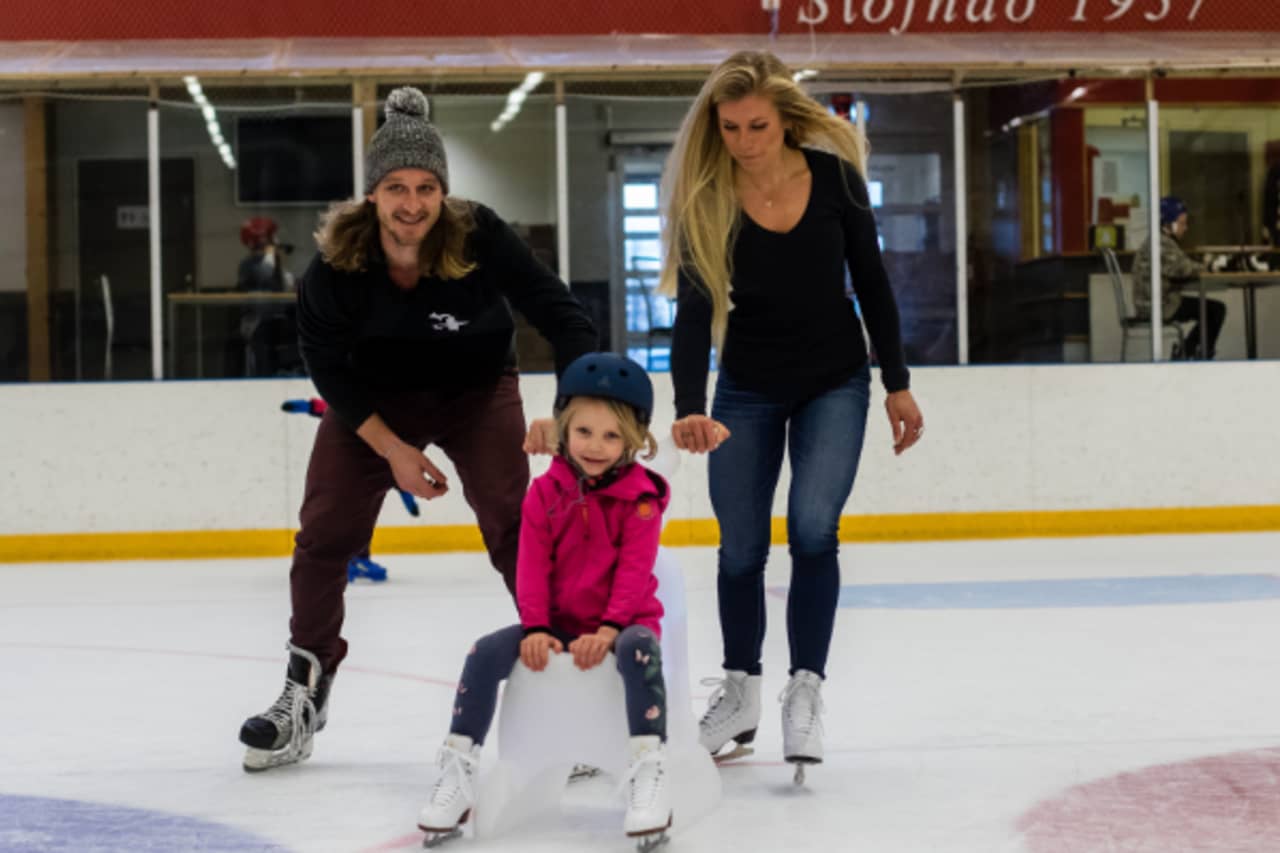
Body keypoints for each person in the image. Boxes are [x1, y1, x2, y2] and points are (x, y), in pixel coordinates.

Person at [238, 86, 597, 772]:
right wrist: (394, 450)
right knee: (323, 536)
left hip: (477, 391)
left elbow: (565, 315)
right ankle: (304, 692)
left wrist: (572, 406)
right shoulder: (336, 266)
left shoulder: (480, 235)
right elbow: (326, 366)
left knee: (517, 527)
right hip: (373, 403)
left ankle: (565, 693)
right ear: (372, 194)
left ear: (444, 192)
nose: (412, 203)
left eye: (427, 186)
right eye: (396, 187)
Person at [658, 50, 924, 777]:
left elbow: (872, 282)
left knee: (813, 527)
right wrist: (687, 404)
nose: (745, 140)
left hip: (835, 379)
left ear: (785, 120)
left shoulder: (836, 178)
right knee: (740, 544)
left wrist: (897, 382)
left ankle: (804, 690)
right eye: (732, 127)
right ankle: (740, 691)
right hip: (745, 384)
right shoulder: (707, 195)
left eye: (758, 125)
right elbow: (693, 313)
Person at [416, 353, 673, 847]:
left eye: (611, 436)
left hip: (625, 624)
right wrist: (535, 627)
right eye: (584, 432)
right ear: (563, 429)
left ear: (634, 439)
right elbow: (531, 567)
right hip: (556, 624)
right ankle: (458, 766)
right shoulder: (544, 493)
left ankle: (647, 768)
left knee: (643, 650)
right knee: (484, 651)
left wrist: (611, 629)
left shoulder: (641, 499)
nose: (595, 446)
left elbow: (634, 572)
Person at [1131, 196, 1226, 360]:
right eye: (1182, 223)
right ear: (1168, 224)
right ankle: (1194, 354)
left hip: (1154, 302)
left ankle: (1188, 352)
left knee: (1210, 309)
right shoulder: (1162, 243)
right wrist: (1210, 266)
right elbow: (1183, 268)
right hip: (1160, 305)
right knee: (1216, 310)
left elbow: (1179, 267)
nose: (1186, 227)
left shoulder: (1159, 241)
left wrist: (1199, 266)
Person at [236, 216, 297, 376]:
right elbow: (264, 274)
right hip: (257, 325)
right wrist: (271, 256)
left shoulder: (274, 262)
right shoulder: (247, 265)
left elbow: (286, 284)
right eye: (271, 237)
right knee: (262, 363)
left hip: (278, 322)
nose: (276, 240)